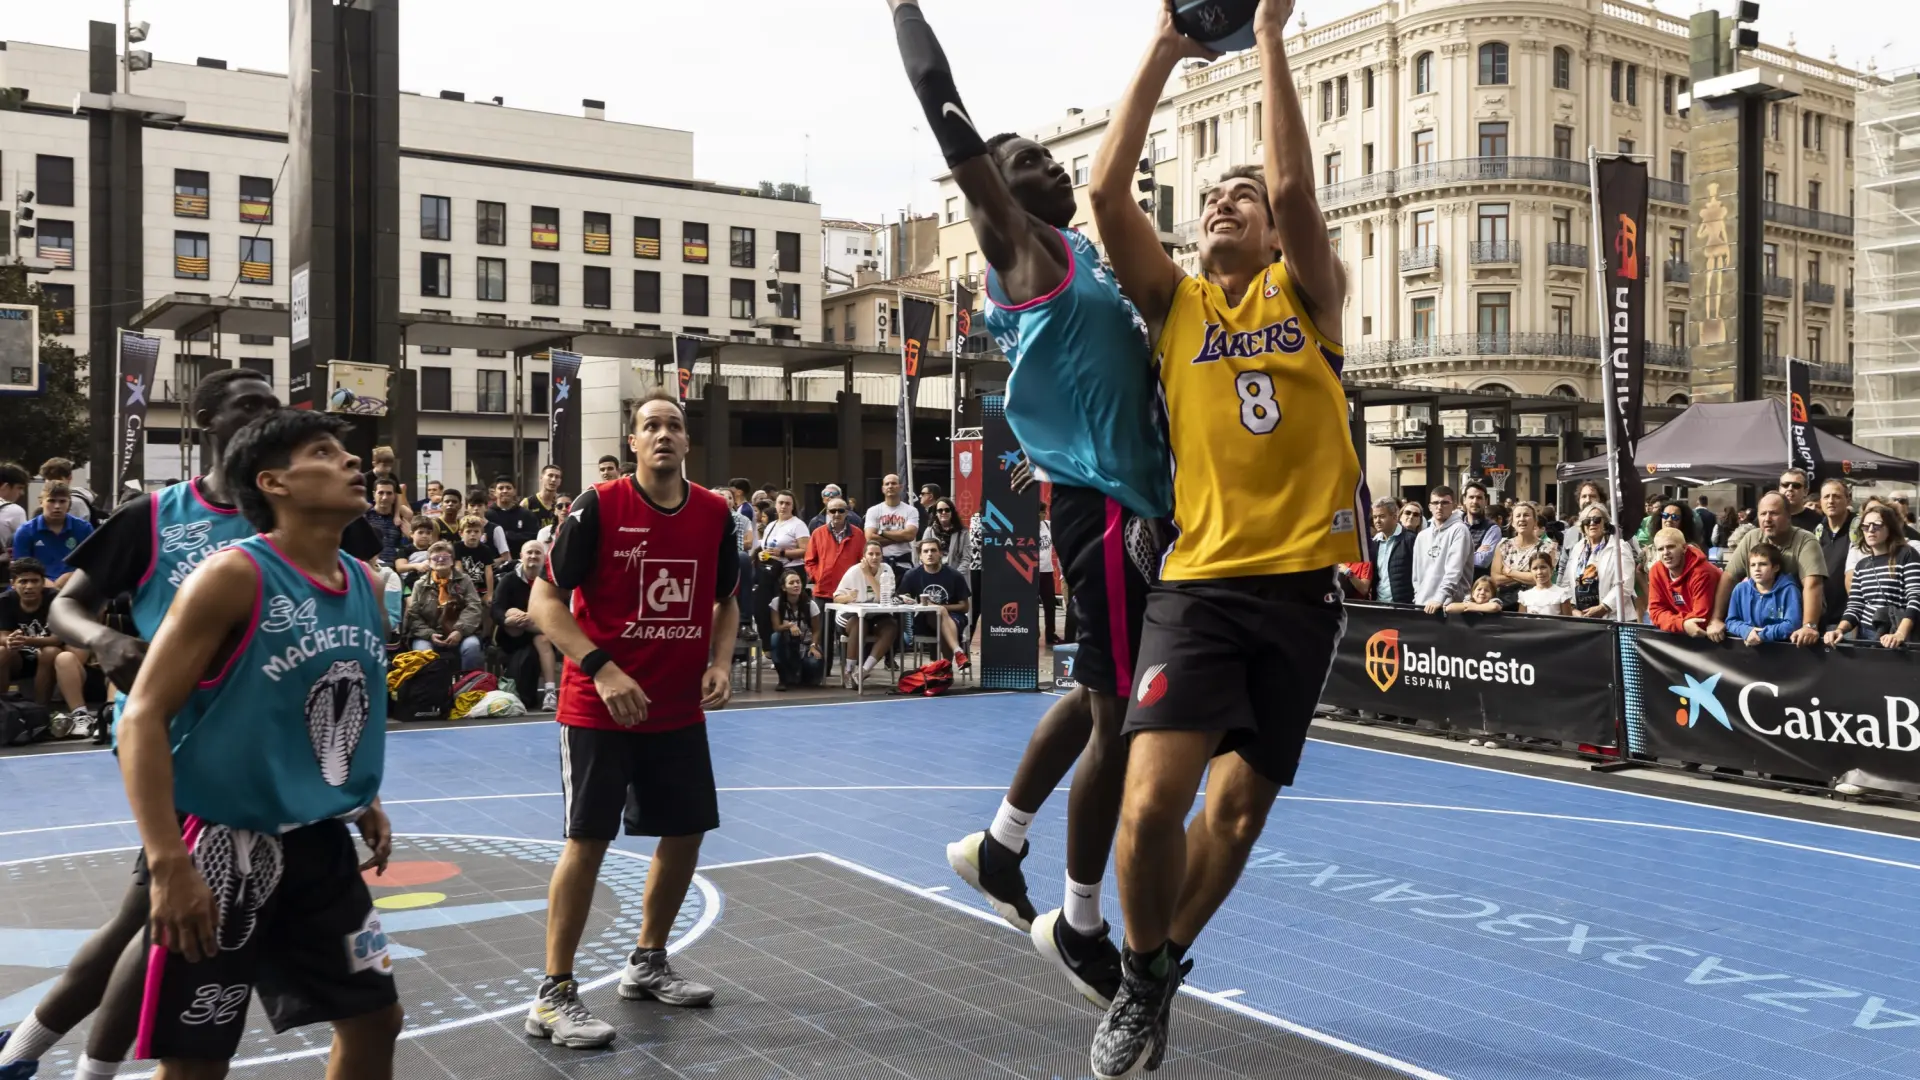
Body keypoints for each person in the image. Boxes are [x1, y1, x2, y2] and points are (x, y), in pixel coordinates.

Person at [1084, 0, 1364, 1070]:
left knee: (1236, 816)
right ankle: (1143, 972)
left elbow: (1296, 189)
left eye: (1237, 193)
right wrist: (1164, 46)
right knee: (1153, 805)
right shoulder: (1178, 308)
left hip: (1300, 595)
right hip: (1199, 587)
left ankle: (1155, 974)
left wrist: (1272, 36)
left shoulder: (1311, 297)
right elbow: (1106, 194)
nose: (1225, 203)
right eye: (1210, 197)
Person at [891, 0, 1179, 1020]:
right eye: (1026, 159)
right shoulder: (1022, 252)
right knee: (1122, 717)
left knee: (1101, 691)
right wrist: (901, 9)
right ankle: (1083, 923)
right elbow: (945, 108)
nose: (1048, 165)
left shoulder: (1086, 254)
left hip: (1134, 507)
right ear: (994, 195)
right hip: (1097, 506)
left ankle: (999, 846)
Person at [0, 370, 372, 1080]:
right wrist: (105, 642)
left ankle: (33, 1052)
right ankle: (57, 1060)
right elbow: (66, 605)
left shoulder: (298, 521)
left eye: (275, 407)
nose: (269, 417)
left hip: (273, 750)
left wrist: (359, 787)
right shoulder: (158, 516)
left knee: (148, 919)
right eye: (249, 407)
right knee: (158, 913)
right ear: (205, 422)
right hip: (181, 745)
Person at [110, 407, 400, 1079]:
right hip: (222, 846)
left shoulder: (367, 582)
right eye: (324, 453)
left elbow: (322, 699)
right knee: (196, 1059)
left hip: (318, 839)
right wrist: (167, 864)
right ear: (274, 483)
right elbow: (142, 718)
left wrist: (360, 796)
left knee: (376, 1017)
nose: (352, 461)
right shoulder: (231, 576)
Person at [524, 392, 738, 1050]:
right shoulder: (598, 505)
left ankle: (647, 961)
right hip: (599, 707)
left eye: (674, 425)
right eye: (651, 426)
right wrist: (602, 668)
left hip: (675, 707)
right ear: (634, 440)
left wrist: (721, 662)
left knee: (686, 832)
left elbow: (726, 600)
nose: (664, 435)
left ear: (686, 441)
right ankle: (554, 995)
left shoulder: (713, 514)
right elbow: (543, 600)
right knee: (587, 842)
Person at [1708, 492, 1825, 647]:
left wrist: (1809, 625)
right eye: (1763, 514)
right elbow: (1729, 577)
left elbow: (1813, 584)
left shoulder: (1806, 540)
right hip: (1754, 633)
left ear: (1788, 516)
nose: (1767, 519)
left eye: (1774, 513)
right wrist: (1716, 619)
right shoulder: (1751, 537)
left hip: (1795, 632)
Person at [0, 557, 93, 730]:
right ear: (13, 583)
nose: (29, 586)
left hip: (48, 660)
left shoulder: (56, 600)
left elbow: (57, 639)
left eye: (34, 581)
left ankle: (41, 709)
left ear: (43, 583)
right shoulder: (5, 601)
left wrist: (26, 640)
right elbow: (2, 635)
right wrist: (11, 640)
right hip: (19, 659)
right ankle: (4, 711)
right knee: (1, 651)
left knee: (50, 651)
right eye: (23, 581)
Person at [1824, 504, 1920, 648]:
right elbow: (1855, 605)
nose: (1870, 530)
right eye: (1865, 526)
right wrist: (1840, 630)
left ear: (1890, 528)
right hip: (1868, 635)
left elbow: (1916, 597)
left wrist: (1900, 634)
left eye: (1877, 525)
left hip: (1898, 635)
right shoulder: (1862, 564)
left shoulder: (1907, 554)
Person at [493, 539, 560, 710]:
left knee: (543, 638)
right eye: (529, 552)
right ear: (521, 556)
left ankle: (550, 693)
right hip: (514, 635)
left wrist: (533, 618)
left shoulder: (551, 581)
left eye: (538, 553)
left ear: (544, 557)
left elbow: (560, 610)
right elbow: (496, 608)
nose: (533, 556)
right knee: (512, 610)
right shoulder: (508, 580)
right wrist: (507, 620)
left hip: (543, 630)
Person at [405, 540, 484, 670]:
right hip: (428, 635)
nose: (440, 560)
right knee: (423, 653)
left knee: (472, 647)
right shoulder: (420, 585)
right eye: (435, 557)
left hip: (462, 634)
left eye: (445, 557)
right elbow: (413, 615)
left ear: (452, 560)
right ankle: (430, 689)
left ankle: (470, 685)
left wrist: (459, 630)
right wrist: (429, 634)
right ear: (429, 562)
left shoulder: (465, 580)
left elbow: (474, 607)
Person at [832, 539, 900, 685]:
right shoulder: (853, 571)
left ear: (882, 556)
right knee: (859, 624)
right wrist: (848, 597)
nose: (874, 557)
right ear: (864, 556)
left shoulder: (886, 570)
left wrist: (869, 575)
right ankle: (848, 671)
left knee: (891, 626)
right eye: (871, 554)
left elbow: (884, 597)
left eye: (878, 554)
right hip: (850, 615)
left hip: (875, 613)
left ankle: (863, 671)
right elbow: (836, 598)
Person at [900, 536, 971, 666]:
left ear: (941, 554)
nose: (930, 554)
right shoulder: (912, 575)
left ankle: (943, 666)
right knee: (936, 614)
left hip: (954, 618)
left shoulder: (954, 575)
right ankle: (956, 655)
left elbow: (965, 607)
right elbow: (901, 597)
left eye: (933, 550)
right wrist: (908, 600)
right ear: (920, 556)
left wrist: (940, 607)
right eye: (925, 551)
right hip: (924, 619)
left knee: (940, 615)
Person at [755, 490, 812, 644]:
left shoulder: (798, 525)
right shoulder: (771, 525)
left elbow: (806, 550)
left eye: (788, 503)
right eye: (781, 503)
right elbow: (765, 547)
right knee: (765, 608)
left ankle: (789, 647)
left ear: (793, 506)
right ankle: (769, 646)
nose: (783, 506)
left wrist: (783, 552)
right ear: (775, 505)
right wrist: (762, 555)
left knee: (785, 611)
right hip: (771, 571)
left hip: (791, 570)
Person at [1561, 506, 1638, 620]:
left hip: (1614, 617)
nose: (1592, 523)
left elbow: (1625, 584)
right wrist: (1573, 609)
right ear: (1582, 526)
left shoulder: (1619, 546)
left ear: (1605, 523)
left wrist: (1604, 607)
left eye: (1597, 519)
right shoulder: (1577, 548)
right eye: (1587, 521)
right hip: (1582, 619)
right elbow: (1567, 583)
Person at [10, 483, 94, 588]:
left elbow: (91, 563)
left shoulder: (84, 528)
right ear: (41, 502)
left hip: (74, 584)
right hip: (35, 585)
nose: (57, 506)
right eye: (51, 501)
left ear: (69, 504)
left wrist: (71, 577)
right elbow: (21, 568)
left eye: (62, 501)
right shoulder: (25, 531)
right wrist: (43, 582)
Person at [1648, 526, 1721, 637]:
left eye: (1671, 547)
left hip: (1718, 636)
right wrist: (1682, 624)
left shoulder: (1702, 572)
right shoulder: (1656, 571)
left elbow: (1700, 621)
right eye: (1660, 549)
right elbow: (1655, 612)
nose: (1665, 552)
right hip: (1685, 635)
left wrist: (1670, 621)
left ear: (1684, 548)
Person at [1726, 543, 1802, 645]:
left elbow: (1792, 624)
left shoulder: (1789, 590)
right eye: (1753, 565)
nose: (1757, 569)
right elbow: (1731, 621)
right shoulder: (1740, 589)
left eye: (1763, 564)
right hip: (1747, 651)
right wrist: (1746, 631)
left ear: (1776, 568)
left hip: (1781, 651)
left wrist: (1762, 635)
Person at [1415, 486, 1473, 612]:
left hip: (1449, 605)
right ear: (1430, 507)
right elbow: (1417, 574)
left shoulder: (1460, 530)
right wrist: (1418, 597)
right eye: (1435, 503)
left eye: (1445, 502)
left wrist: (1439, 598)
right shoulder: (1422, 535)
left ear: (1454, 506)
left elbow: (1454, 570)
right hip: (1423, 604)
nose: (1439, 507)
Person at [804, 496, 866, 612]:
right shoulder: (818, 533)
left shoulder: (858, 534)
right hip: (823, 591)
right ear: (827, 512)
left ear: (847, 512)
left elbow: (862, 561)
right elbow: (809, 560)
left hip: (847, 592)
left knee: (844, 628)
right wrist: (818, 576)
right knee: (822, 628)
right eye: (833, 511)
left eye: (841, 510)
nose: (837, 514)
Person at [1489, 501, 1555, 611]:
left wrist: (1510, 572)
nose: (1522, 519)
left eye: (1526, 515)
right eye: (1518, 516)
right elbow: (1496, 579)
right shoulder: (1503, 546)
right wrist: (1525, 576)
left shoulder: (1548, 547)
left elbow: (1539, 578)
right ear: (1513, 522)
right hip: (1507, 604)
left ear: (1535, 522)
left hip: (1536, 605)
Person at [767, 568, 824, 690]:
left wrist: (814, 645)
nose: (796, 585)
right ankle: (782, 678)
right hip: (787, 644)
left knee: (813, 665)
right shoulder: (776, 603)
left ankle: (803, 675)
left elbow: (816, 630)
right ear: (783, 587)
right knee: (775, 637)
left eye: (798, 582)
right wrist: (790, 625)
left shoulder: (810, 604)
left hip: (806, 645)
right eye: (791, 583)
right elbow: (776, 627)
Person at [1812, 478, 1855, 631]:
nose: (1831, 501)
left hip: (1850, 620)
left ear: (1848, 499)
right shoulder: (1817, 531)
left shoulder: (1860, 528)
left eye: (1836, 496)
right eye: (1826, 497)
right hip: (1820, 618)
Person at [863, 473, 921, 581]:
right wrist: (900, 537)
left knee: (904, 596)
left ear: (900, 487)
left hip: (903, 563)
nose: (890, 486)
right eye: (887, 484)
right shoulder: (873, 511)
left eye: (894, 483)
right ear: (882, 488)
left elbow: (909, 535)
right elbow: (870, 538)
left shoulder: (911, 510)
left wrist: (881, 533)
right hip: (880, 562)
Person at [1370, 499, 1414, 605]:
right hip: (1379, 604)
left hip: (1403, 607)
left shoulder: (1410, 539)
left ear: (1395, 517)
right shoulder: (1374, 543)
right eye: (1375, 517)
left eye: (1382, 516)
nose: (1377, 521)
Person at [486, 476, 540, 560]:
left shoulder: (526, 514)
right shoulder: (488, 515)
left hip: (520, 562)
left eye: (508, 488)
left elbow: (533, 536)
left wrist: (509, 535)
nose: (505, 491)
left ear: (514, 491)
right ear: (494, 493)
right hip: (494, 563)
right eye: (501, 488)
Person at [38, 457, 97, 525]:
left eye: (57, 479)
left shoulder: (75, 502)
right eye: (49, 479)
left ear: (69, 478)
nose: (54, 484)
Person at [453, 515, 499, 602]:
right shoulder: (457, 547)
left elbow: (488, 572)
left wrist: (490, 593)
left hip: (481, 588)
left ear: (482, 534)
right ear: (461, 534)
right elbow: (459, 569)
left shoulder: (485, 549)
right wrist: (463, 591)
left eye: (476, 531)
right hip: (462, 587)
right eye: (468, 531)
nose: (473, 534)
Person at [363, 476, 406, 565]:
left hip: (394, 569)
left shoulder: (401, 519)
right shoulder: (364, 517)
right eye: (381, 493)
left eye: (389, 493)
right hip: (370, 567)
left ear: (394, 496)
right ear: (374, 494)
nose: (385, 497)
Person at [922, 495, 970, 571]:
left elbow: (966, 559)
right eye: (940, 510)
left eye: (947, 510)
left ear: (952, 512)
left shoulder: (963, 532)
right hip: (935, 575)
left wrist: (955, 576)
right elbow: (924, 555)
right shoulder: (929, 531)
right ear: (936, 513)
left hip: (957, 576)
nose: (943, 512)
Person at [1517, 552, 1573, 616]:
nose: (1539, 572)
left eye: (1543, 567)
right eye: (1535, 568)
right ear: (1530, 571)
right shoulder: (1525, 596)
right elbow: (1521, 622)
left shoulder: (1562, 594)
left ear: (1551, 569)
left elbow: (1568, 622)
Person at [1462, 482, 1501, 574]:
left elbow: (1482, 561)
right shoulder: (1455, 525)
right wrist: (1475, 552)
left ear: (1486, 501)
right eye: (1471, 497)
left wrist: (1456, 555)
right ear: (1464, 500)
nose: (1475, 501)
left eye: (1479, 498)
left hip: (1478, 585)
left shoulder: (1492, 528)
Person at [522, 463, 566, 535]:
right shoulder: (527, 503)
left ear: (560, 481)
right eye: (550, 475)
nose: (553, 479)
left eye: (557, 477)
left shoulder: (564, 503)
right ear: (541, 478)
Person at [1780, 467, 1823, 532]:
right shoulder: (1768, 516)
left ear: (1805, 491)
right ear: (1779, 488)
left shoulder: (1818, 521)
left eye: (1796, 485)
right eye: (1785, 485)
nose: (1790, 488)